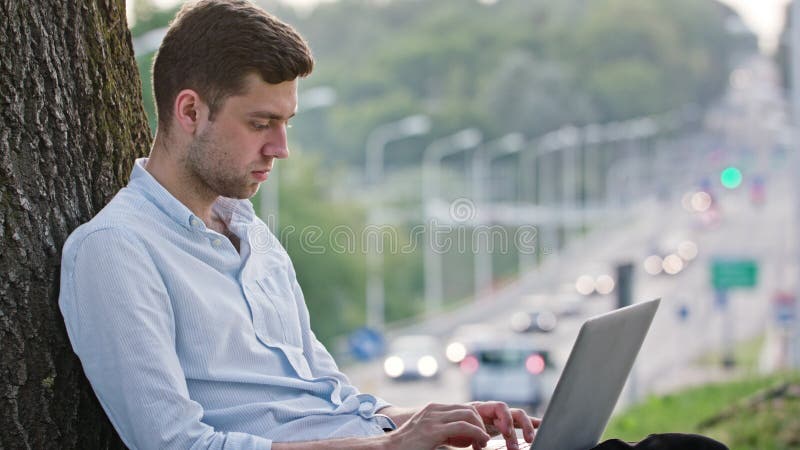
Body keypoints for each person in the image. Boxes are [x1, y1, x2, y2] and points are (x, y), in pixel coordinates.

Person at [58, 1, 538, 449]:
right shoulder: (115, 249)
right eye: (261, 123)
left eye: (286, 122)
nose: (280, 148)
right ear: (190, 112)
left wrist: (429, 421)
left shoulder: (254, 237)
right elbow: (178, 445)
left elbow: (334, 396)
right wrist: (388, 446)